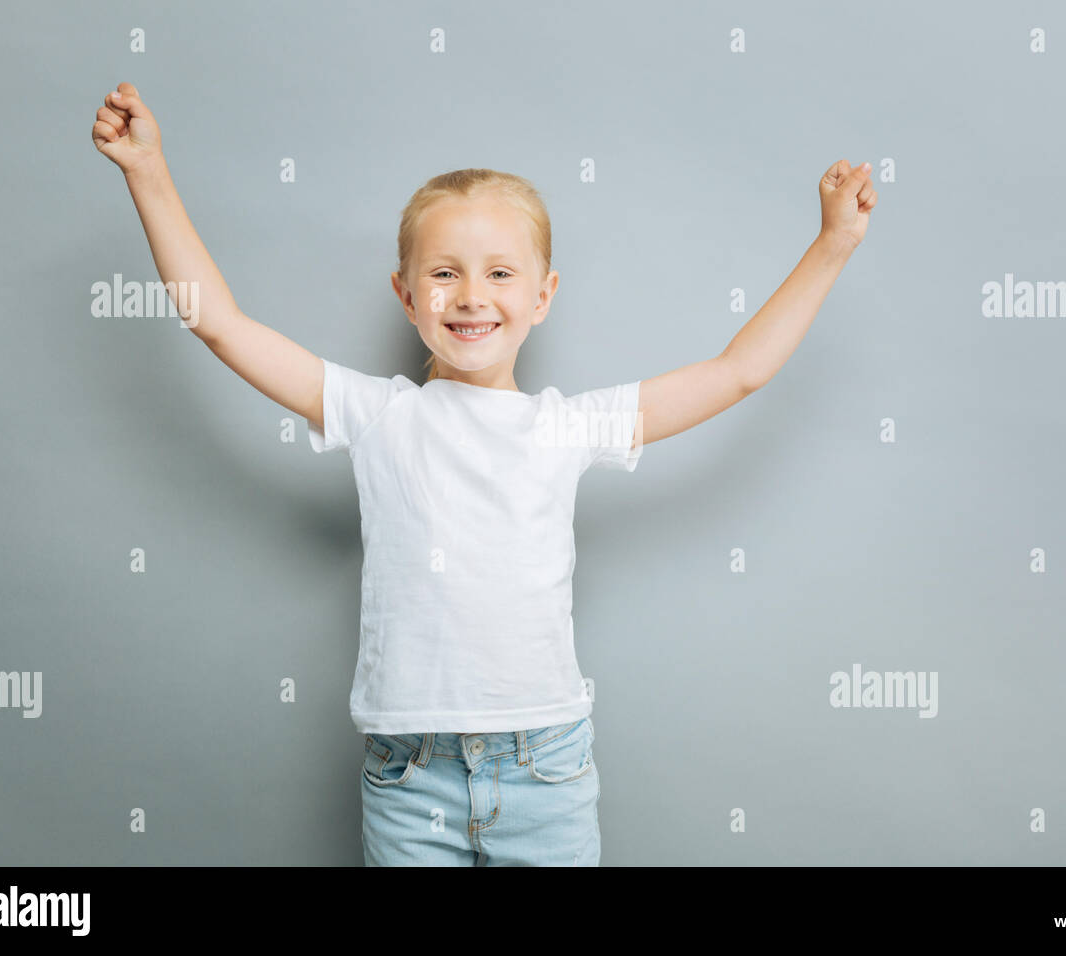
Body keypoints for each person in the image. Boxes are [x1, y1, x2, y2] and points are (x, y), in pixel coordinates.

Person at [92, 81, 877, 866]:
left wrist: (832, 244)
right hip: (409, 778)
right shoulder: (374, 414)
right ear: (405, 294)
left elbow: (738, 371)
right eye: (444, 274)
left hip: (547, 766)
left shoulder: (568, 426)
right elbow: (218, 324)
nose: (471, 296)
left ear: (544, 296)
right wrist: (147, 171)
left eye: (501, 274)